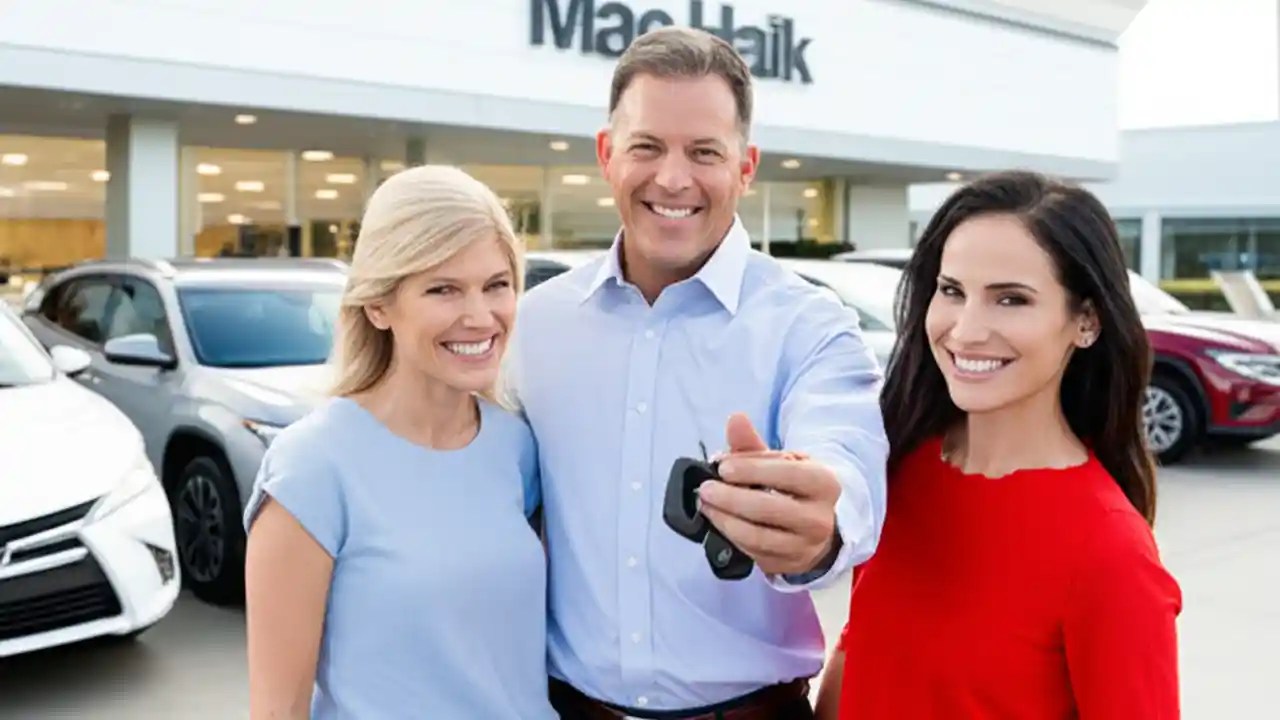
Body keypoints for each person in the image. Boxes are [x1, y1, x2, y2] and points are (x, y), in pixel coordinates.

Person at [504, 26, 888, 720]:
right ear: (606, 154)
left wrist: (817, 523)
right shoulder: (534, 325)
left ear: (746, 167)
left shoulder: (810, 325)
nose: (673, 178)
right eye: (647, 146)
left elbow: (847, 467)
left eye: (704, 152)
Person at [814, 170, 1183, 719]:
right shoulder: (896, 466)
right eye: (952, 291)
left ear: (1086, 320)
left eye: (1010, 299)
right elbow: (861, 648)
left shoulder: (1111, 556)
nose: (965, 330)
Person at [242, 165, 557, 719]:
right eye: (443, 289)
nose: (480, 316)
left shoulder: (516, 446)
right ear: (378, 305)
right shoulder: (312, 467)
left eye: (496, 285)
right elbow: (277, 711)